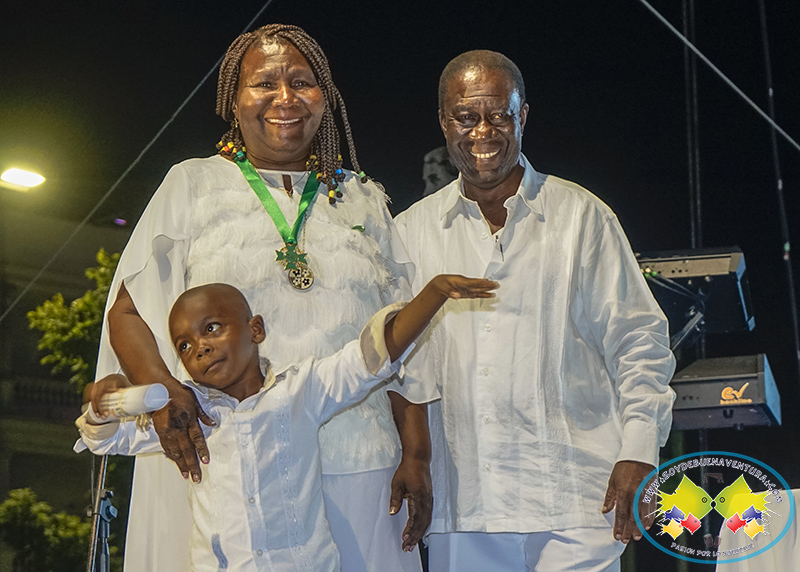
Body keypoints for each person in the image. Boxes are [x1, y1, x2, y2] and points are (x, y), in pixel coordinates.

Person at [96, 24, 433, 572]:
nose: (285, 98)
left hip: (360, 463)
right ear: (234, 99)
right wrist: (165, 394)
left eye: (302, 82)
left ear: (326, 96)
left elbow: (403, 336)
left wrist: (416, 453)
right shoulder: (192, 184)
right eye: (264, 84)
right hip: (236, 468)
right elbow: (128, 315)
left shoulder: (364, 199)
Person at [394, 50, 677, 572]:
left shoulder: (581, 216)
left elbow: (638, 344)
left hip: (575, 499)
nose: (484, 132)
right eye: (466, 117)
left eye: (499, 114)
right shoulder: (409, 232)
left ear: (522, 116)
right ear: (443, 122)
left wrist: (639, 449)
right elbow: (400, 367)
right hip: (465, 506)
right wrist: (412, 458)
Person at [79, 278, 496, 571]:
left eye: (212, 328)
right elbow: (105, 439)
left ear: (255, 328)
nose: (200, 347)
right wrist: (104, 405)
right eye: (185, 346)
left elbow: (369, 359)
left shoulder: (301, 392)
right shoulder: (189, 417)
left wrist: (436, 292)